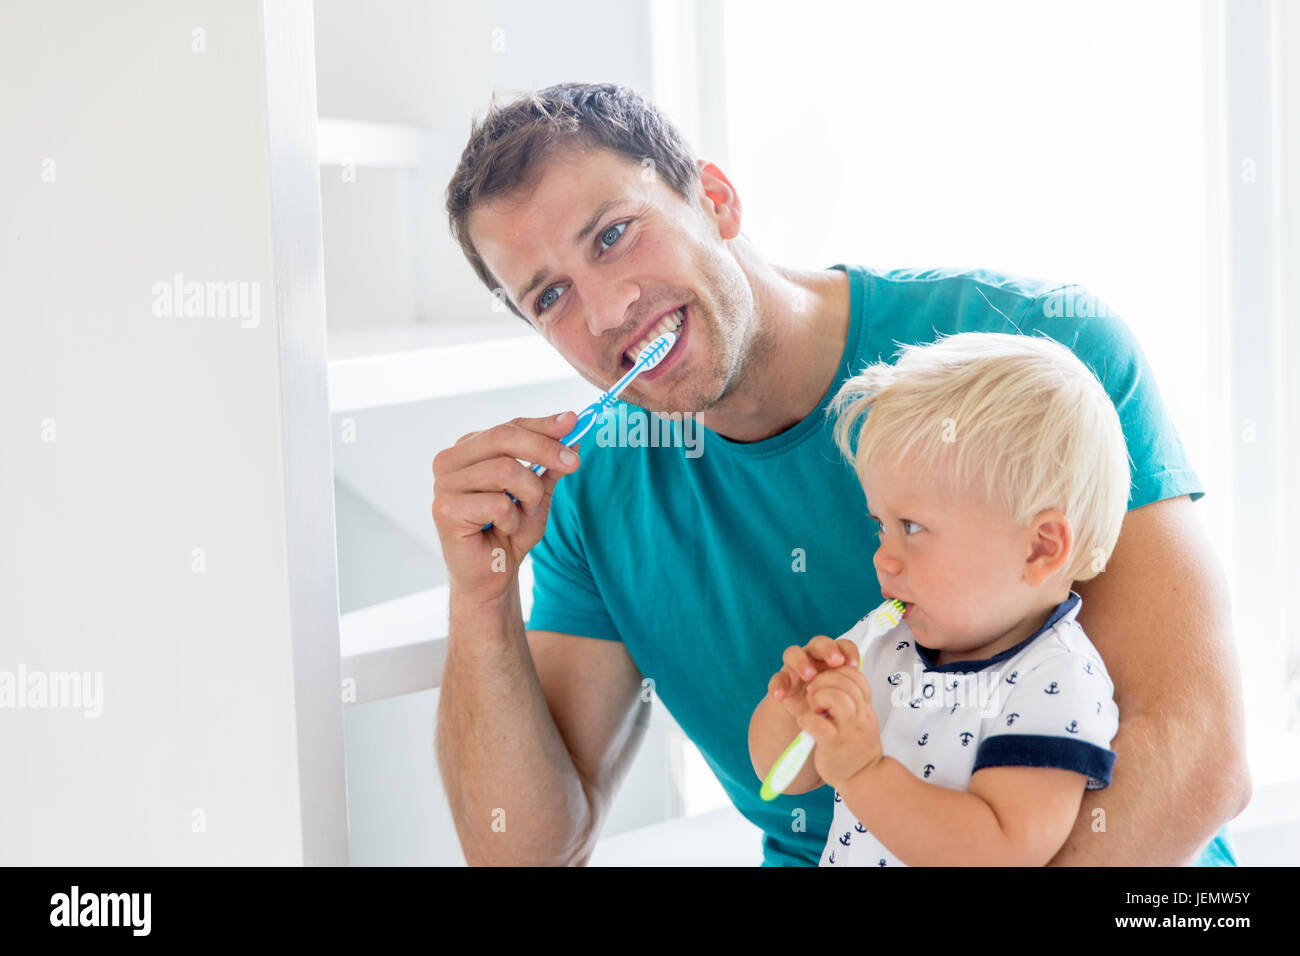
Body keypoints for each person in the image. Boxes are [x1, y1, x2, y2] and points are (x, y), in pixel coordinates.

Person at [431, 81, 1250, 866]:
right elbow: (522, 853)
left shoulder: (1035, 354)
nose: (605, 312)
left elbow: (1199, 755)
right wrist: (480, 599)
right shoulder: (591, 494)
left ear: (715, 200)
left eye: (613, 234)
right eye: (550, 298)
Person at [751, 332, 1127, 866]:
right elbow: (780, 776)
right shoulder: (885, 643)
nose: (883, 557)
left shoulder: (1058, 680)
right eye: (881, 525)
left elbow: (997, 850)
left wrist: (863, 773)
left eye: (912, 526)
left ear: (1039, 549)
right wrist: (795, 713)